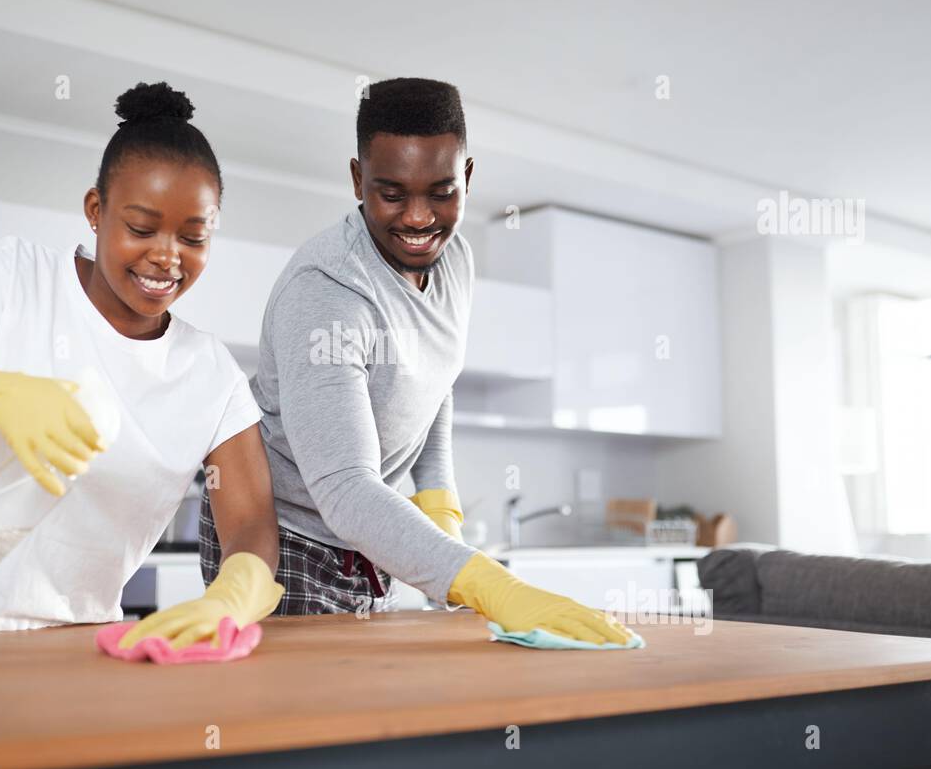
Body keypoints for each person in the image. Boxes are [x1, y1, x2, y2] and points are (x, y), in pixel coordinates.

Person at [0, 81, 284, 648]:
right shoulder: (19, 276)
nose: (167, 256)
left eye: (193, 237)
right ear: (96, 212)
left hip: (63, 636)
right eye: (142, 228)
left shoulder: (211, 375)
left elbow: (250, 523)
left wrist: (236, 590)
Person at [199, 77, 634, 645]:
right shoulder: (328, 290)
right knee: (312, 720)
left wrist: (441, 513)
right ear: (357, 179)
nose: (419, 219)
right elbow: (346, 487)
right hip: (285, 537)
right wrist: (487, 582)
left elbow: (435, 382)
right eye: (392, 193)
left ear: (468, 177)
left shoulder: (456, 265)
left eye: (442, 191)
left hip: (369, 536)